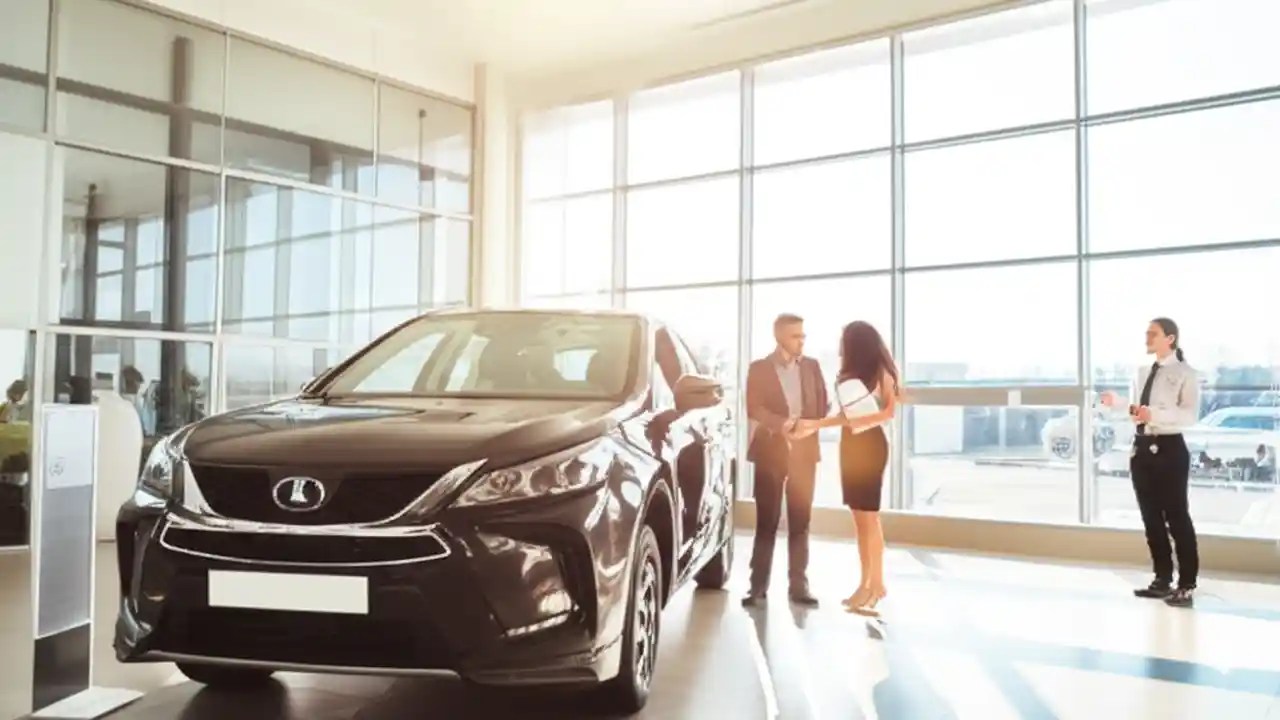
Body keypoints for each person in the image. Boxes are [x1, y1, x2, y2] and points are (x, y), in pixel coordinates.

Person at [799, 321, 899, 617]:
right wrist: (815, 425)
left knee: (870, 518)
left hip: (871, 445)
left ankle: (875, 584)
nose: (840, 346)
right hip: (851, 445)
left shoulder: (882, 372)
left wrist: (858, 423)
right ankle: (865, 582)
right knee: (859, 519)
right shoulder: (850, 377)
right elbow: (846, 416)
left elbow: (889, 412)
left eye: (844, 340)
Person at [1100, 317, 1201, 607]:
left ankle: (1186, 584)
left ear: (1170, 339)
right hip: (1142, 449)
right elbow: (1136, 412)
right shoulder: (1142, 372)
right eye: (1146, 333)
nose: (1147, 338)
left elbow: (1188, 416)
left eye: (1153, 334)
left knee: (1177, 517)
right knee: (1150, 518)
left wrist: (1153, 414)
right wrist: (1120, 405)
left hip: (1170, 449)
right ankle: (1162, 579)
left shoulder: (1186, 373)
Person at [742, 313, 829, 608]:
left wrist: (808, 425)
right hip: (770, 452)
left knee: (800, 521)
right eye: (795, 336)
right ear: (779, 337)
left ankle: (799, 586)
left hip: (805, 454)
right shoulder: (759, 369)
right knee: (766, 522)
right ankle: (757, 587)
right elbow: (753, 407)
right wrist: (782, 425)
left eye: (803, 335)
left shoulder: (813, 367)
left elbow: (822, 403)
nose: (801, 341)